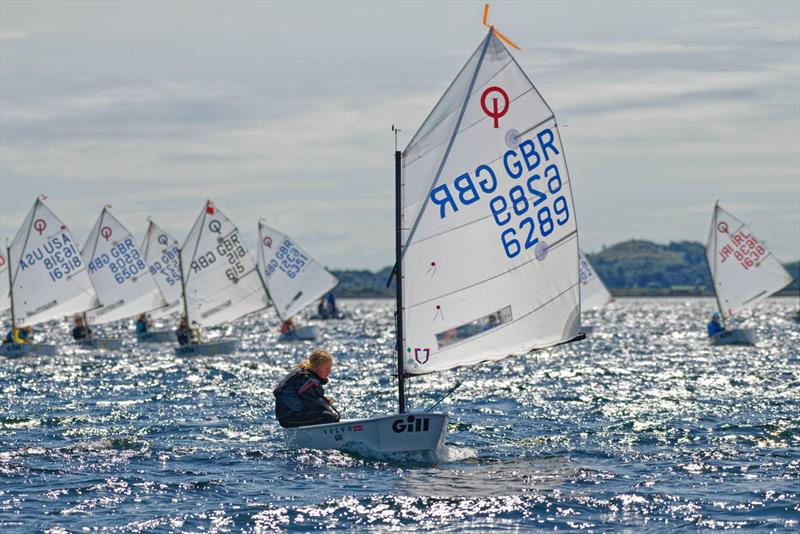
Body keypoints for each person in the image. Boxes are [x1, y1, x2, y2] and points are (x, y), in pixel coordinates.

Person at [274, 349, 340, 428]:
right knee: (328, 416)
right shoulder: (307, 380)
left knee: (326, 414)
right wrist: (335, 416)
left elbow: (310, 399)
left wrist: (324, 401)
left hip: (287, 417)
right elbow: (315, 404)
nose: (329, 371)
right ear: (316, 367)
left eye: (330, 368)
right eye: (326, 368)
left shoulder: (305, 375)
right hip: (289, 417)